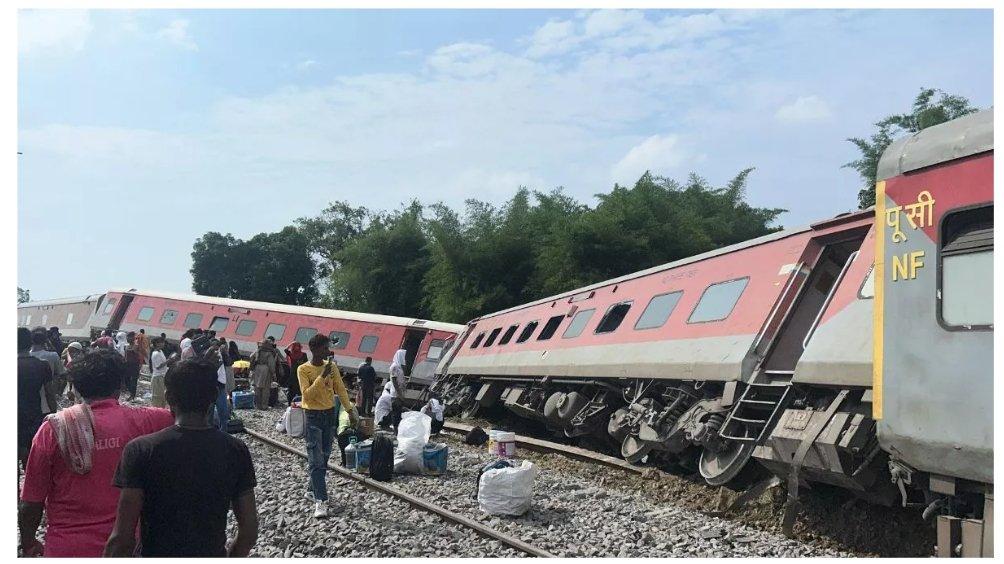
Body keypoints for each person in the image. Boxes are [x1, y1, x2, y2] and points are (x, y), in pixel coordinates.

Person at [18, 349, 174, 557]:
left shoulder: (53, 429)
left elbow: (31, 502)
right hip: (126, 547)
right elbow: (187, 417)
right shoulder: (147, 420)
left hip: (67, 548)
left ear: (79, 388)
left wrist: (28, 542)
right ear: (119, 385)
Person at [104, 358, 258, 557]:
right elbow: (249, 530)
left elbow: (122, 538)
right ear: (213, 396)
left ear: (169, 397)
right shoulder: (236, 450)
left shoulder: (141, 450)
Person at [297, 333, 358, 518]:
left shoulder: (332, 367)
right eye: (324, 348)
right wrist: (322, 377)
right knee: (315, 460)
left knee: (323, 458)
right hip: (313, 416)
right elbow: (307, 395)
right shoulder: (303, 369)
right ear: (314, 349)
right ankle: (321, 502)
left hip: (329, 415)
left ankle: (311, 490)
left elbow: (340, 388)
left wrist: (349, 410)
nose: (328, 351)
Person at [18, 328, 55, 472]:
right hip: (33, 416)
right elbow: (49, 394)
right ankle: (28, 488)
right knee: (31, 458)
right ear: (30, 343)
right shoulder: (42, 365)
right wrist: (53, 413)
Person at [31, 328, 66, 412]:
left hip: (28, 401)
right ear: (45, 341)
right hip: (48, 399)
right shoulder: (53, 356)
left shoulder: (24, 357)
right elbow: (62, 374)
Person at [250, 340, 281, 410]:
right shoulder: (269, 353)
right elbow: (271, 365)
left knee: (257, 388)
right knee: (265, 389)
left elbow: (251, 357)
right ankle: (264, 406)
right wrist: (273, 374)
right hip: (266, 370)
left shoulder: (257, 351)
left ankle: (258, 405)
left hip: (257, 369)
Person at [122, 332, 142, 401]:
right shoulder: (126, 346)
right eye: (127, 337)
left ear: (133, 338)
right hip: (127, 365)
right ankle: (130, 392)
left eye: (129, 337)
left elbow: (140, 356)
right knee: (126, 380)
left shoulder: (136, 346)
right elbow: (125, 356)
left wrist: (140, 365)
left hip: (134, 365)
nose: (128, 339)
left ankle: (132, 395)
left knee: (134, 380)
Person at [150, 338, 169, 408]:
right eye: (161, 342)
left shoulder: (160, 351)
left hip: (162, 376)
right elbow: (158, 366)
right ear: (157, 344)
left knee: (162, 396)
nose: (163, 344)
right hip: (157, 377)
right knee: (157, 396)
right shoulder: (155, 354)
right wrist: (169, 361)